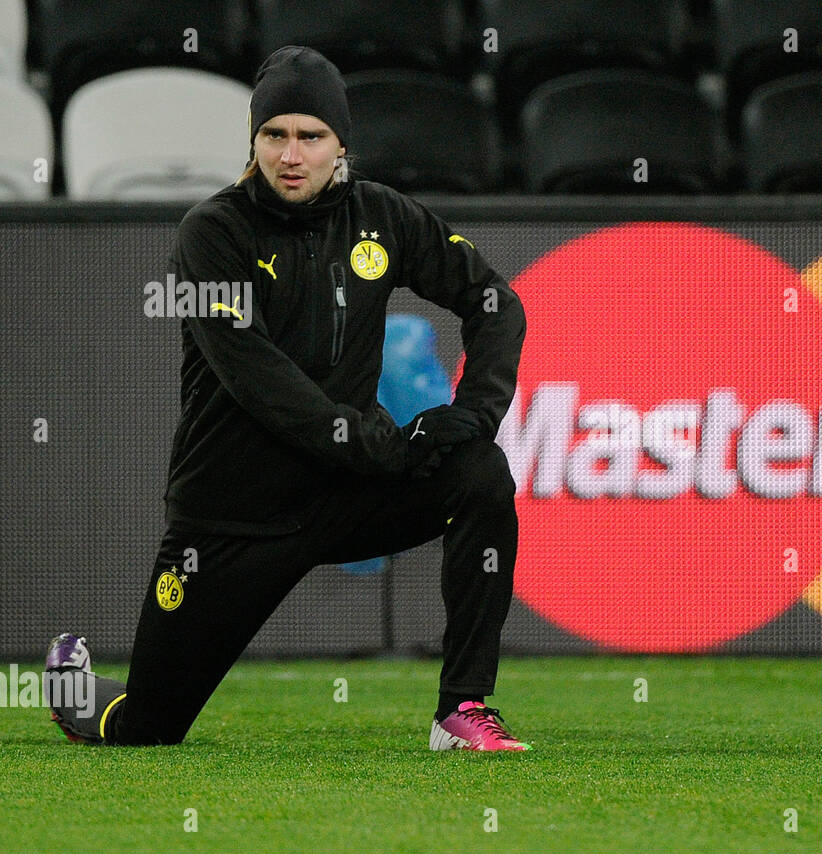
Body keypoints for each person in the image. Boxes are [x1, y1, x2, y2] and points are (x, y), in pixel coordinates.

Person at [46, 46, 530, 751]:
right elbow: (263, 383)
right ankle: (69, 685)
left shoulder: (383, 217)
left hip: (345, 497)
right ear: (253, 141)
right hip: (234, 514)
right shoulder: (211, 234)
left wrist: (473, 415)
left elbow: (495, 303)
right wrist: (393, 444)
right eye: (274, 134)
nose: (291, 154)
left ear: (341, 144)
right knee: (145, 730)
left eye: (311, 136)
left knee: (480, 472)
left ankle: (462, 710)